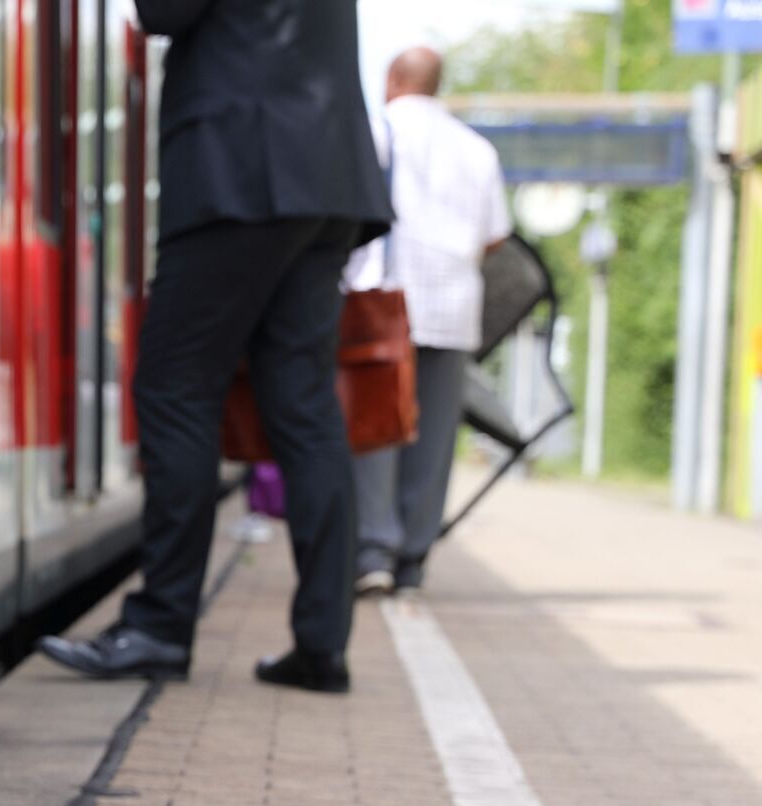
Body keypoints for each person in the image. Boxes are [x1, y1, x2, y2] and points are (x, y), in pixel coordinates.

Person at [41, 0, 391, 693]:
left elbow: (164, 11)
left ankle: (159, 627)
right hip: (328, 174)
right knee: (304, 406)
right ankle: (323, 644)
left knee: (174, 387)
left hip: (241, 167)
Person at [353, 47, 511, 597]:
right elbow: (495, 235)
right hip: (452, 306)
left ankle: (373, 548)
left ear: (393, 79)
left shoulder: (375, 131)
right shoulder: (477, 149)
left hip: (384, 301)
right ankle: (412, 559)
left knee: (375, 426)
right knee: (433, 436)